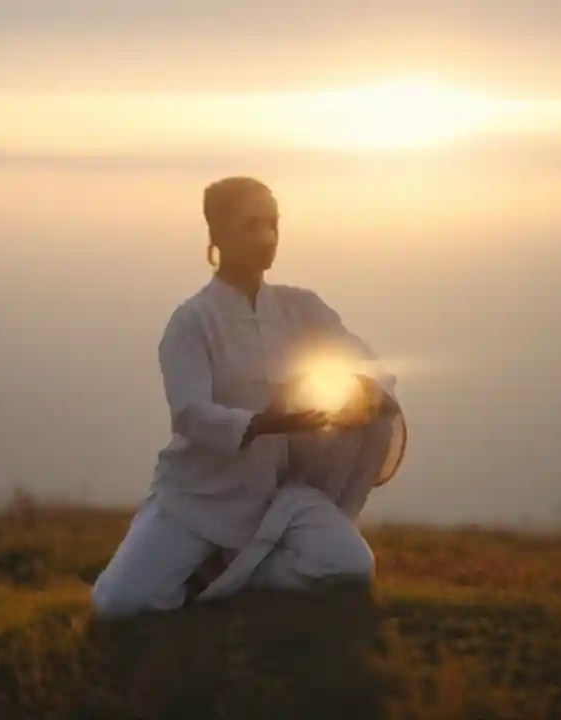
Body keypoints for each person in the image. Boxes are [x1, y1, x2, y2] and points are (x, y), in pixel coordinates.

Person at [90, 176, 405, 618]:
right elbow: (190, 413)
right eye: (251, 225)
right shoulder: (192, 321)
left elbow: (367, 363)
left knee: (350, 567)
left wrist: (365, 393)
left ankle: (230, 578)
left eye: (273, 224)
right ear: (217, 234)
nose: (267, 237)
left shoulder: (302, 308)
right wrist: (264, 423)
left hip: (279, 497)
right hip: (199, 495)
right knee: (121, 603)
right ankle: (218, 571)